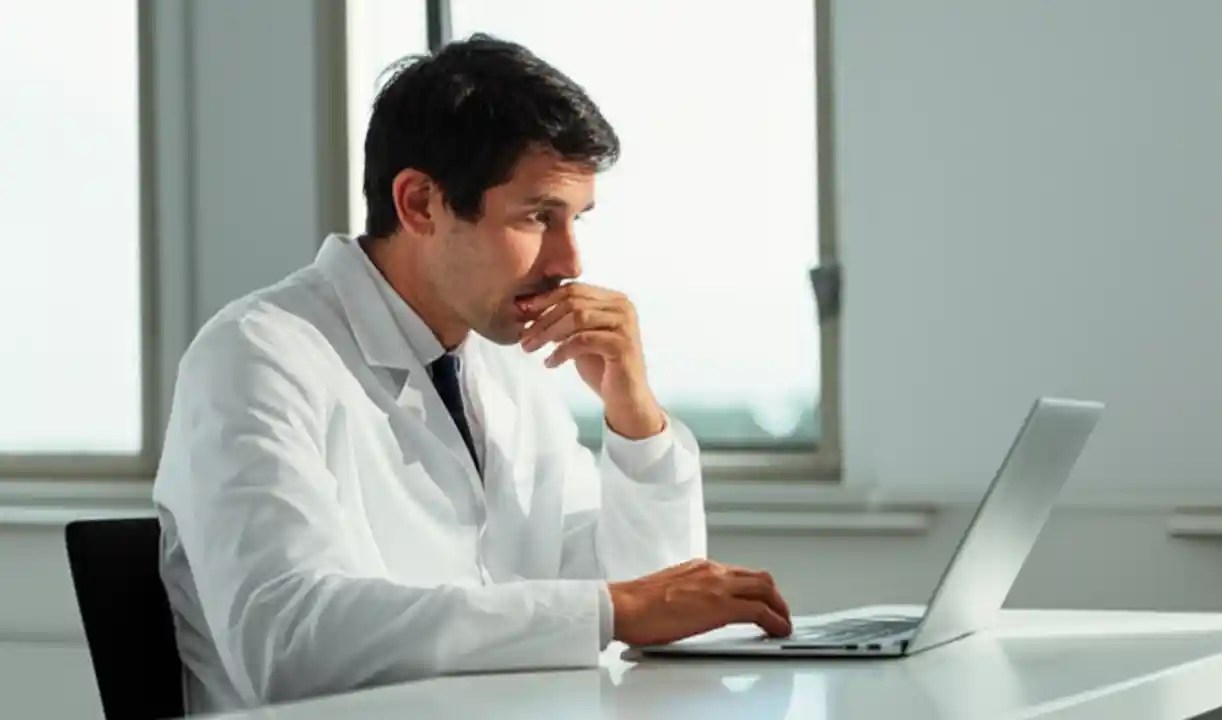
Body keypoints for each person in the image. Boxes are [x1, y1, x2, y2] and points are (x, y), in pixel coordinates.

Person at [153, 34, 792, 713]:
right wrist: (610, 610)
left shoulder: (499, 368)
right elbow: (287, 642)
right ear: (421, 204)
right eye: (538, 216)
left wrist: (636, 420)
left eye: (576, 219)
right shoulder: (256, 355)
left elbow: (653, 604)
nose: (570, 260)